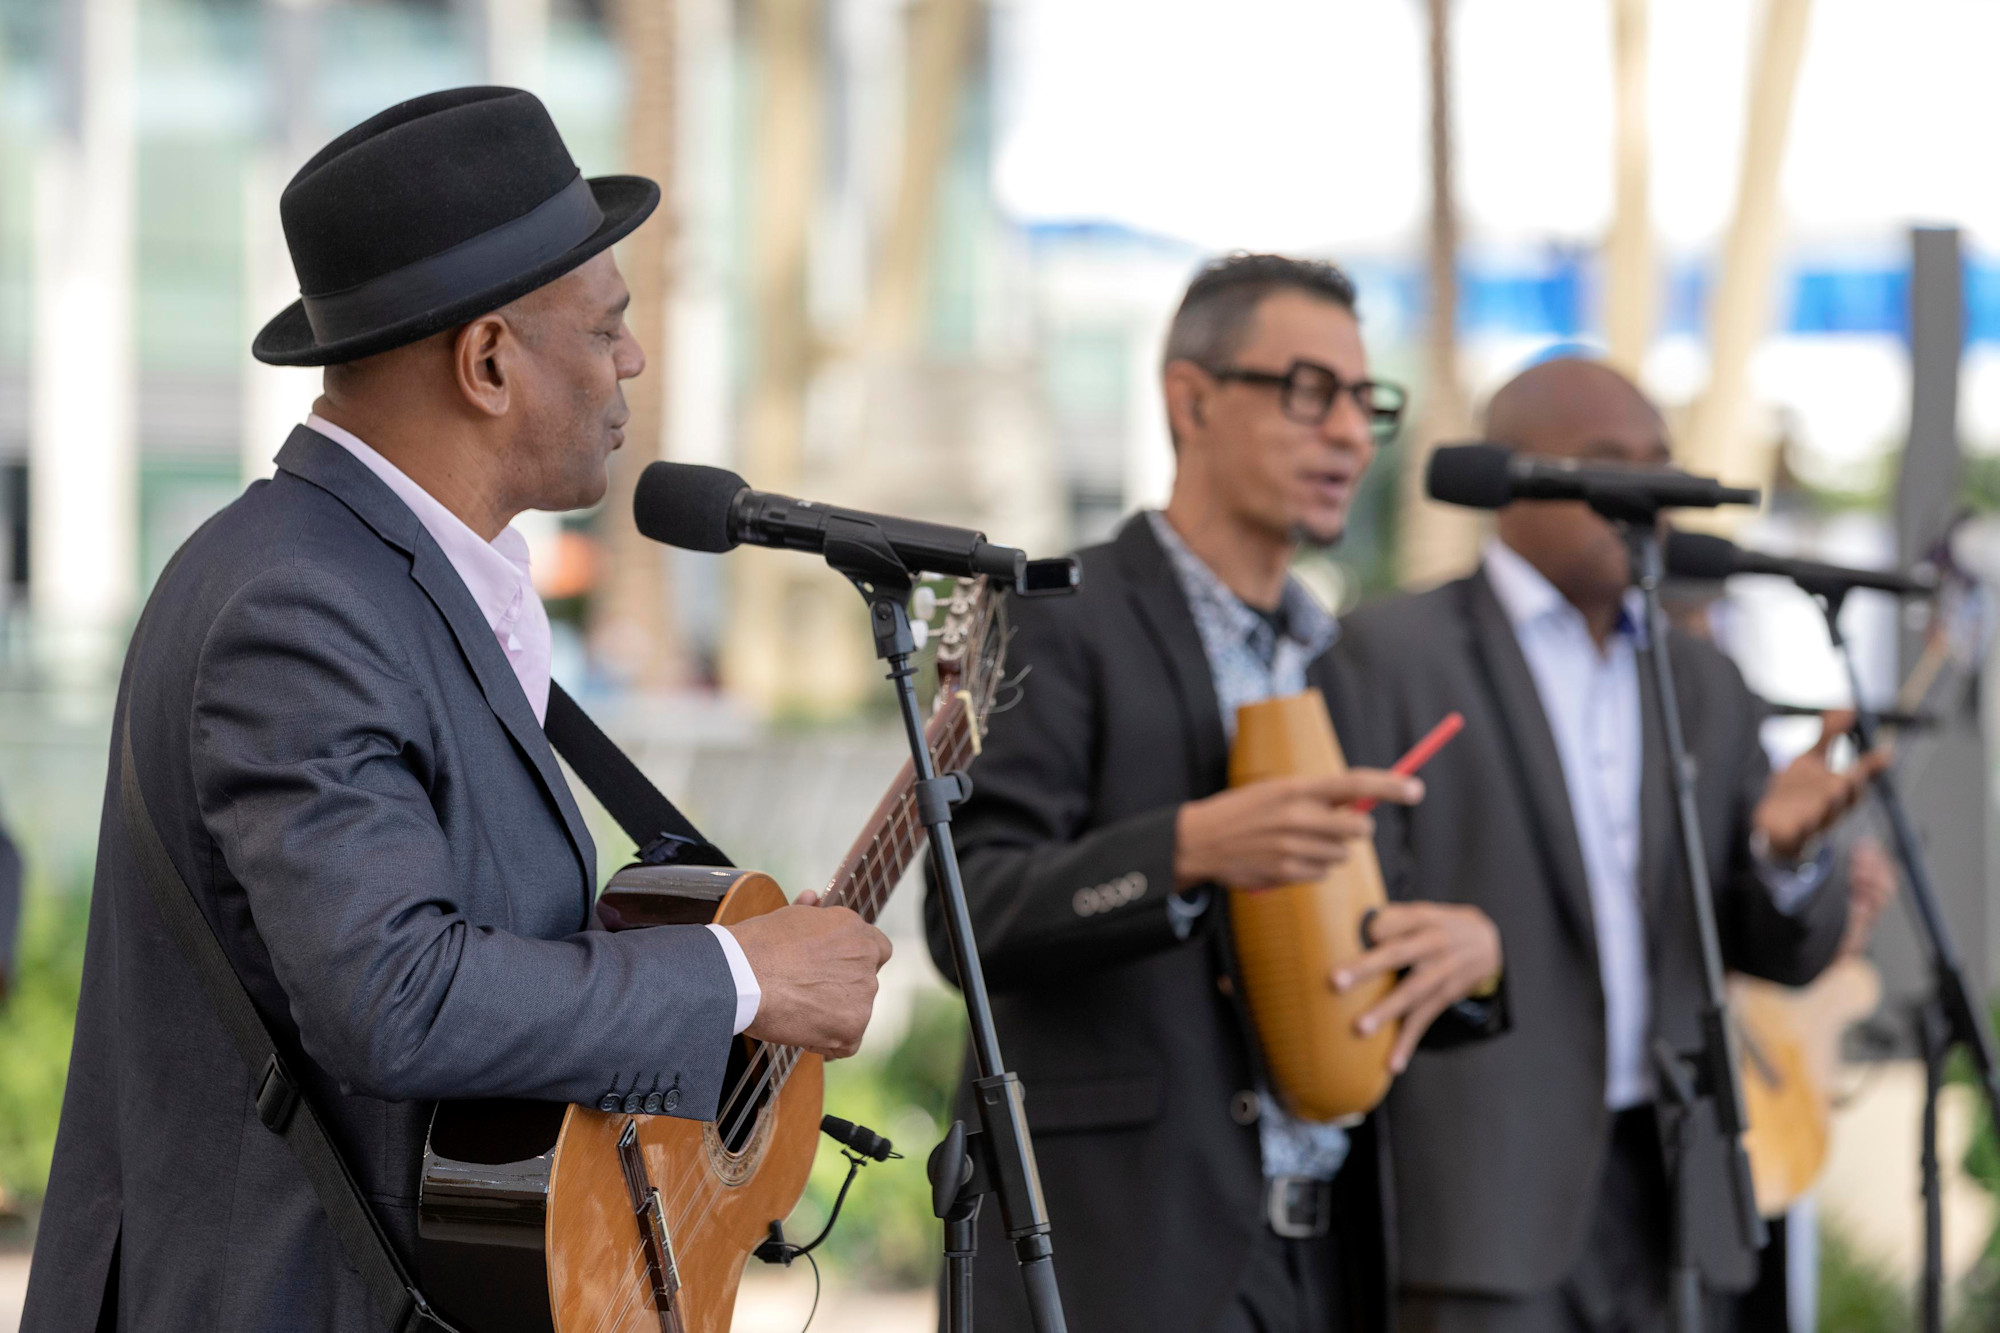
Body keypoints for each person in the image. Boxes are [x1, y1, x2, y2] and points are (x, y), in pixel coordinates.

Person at [23, 87, 892, 1332]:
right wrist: (734, 975)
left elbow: (442, 941)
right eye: (608, 328)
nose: (633, 362)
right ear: (488, 362)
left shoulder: (381, 575)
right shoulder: (302, 603)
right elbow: (394, 994)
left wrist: (725, 972)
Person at [925, 253, 1508, 1333]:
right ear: (1187, 399)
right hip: (1125, 1260)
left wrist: (1471, 958)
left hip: (1330, 1261)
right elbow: (968, 914)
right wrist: (1185, 847)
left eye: (1363, 402)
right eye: (1307, 392)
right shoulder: (1056, 614)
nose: (1346, 433)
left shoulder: (1345, 660)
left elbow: (1380, 933)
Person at [1329, 356, 1887, 1332]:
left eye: (1659, 464)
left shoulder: (1704, 681)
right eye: (1604, 461)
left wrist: (1785, 860)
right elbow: (1345, 923)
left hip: (1678, 1194)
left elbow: (1780, 953)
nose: (1644, 492)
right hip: (1487, 1201)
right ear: (1510, 478)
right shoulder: (1387, 654)